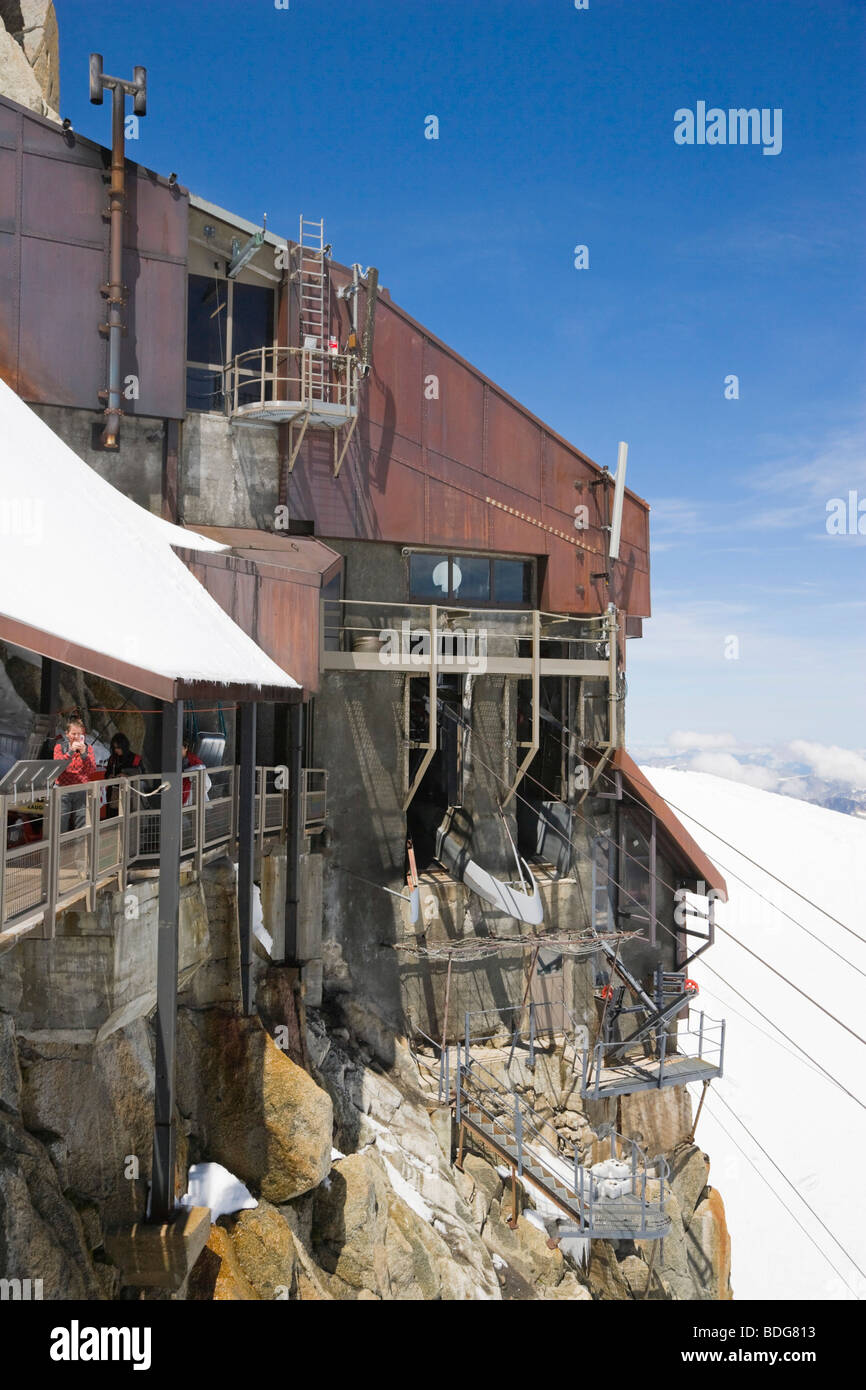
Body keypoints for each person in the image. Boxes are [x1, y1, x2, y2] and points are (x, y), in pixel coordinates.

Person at [53, 716, 97, 831]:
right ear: (67, 734)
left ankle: (80, 848)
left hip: (81, 790)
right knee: (60, 825)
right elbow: (58, 768)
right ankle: (59, 848)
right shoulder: (59, 747)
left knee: (81, 826)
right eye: (73, 734)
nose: (76, 737)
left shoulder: (88, 749)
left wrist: (84, 755)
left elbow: (91, 770)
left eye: (79, 734)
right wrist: (70, 752)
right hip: (63, 791)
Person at [103, 732, 145, 818]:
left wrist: (126, 776)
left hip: (130, 794)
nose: (116, 750)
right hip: (114, 794)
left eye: (118, 748)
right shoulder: (113, 759)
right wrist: (109, 776)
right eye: (114, 748)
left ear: (124, 746)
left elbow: (143, 777)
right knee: (113, 817)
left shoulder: (135, 758)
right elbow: (107, 773)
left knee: (129, 817)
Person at [181, 738, 206, 807]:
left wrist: (185, 771)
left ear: (186, 748)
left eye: (181, 749)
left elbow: (202, 767)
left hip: (189, 784)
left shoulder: (192, 758)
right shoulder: (177, 758)